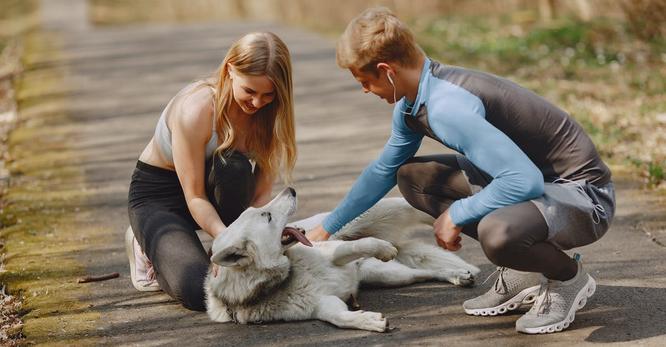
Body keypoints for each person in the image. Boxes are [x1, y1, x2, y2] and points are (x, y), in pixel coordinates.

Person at [306, 7, 615, 334]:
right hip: (537, 185)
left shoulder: (446, 107)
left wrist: (458, 213)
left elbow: (523, 180)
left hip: (582, 196)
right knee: (413, 178)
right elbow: (383, 170)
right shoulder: (413, 103)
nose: (366, 90)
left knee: (497, 234)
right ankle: (521, 267)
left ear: (388, 71)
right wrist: (326, 229)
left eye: (365, 81)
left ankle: (566, 277)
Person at [126, 32, 296, 311]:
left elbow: (261, 194)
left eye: (268, 95)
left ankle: (208, 242)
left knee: (234, 169)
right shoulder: (197, 108)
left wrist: (246, 246)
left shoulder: (272, 115)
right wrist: (226, 241)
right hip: (161, 197)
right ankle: (145, 241)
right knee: (201, 290)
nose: (257, 103)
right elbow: (194, 196)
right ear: (230, 69)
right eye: (250, 91)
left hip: (219, 185)